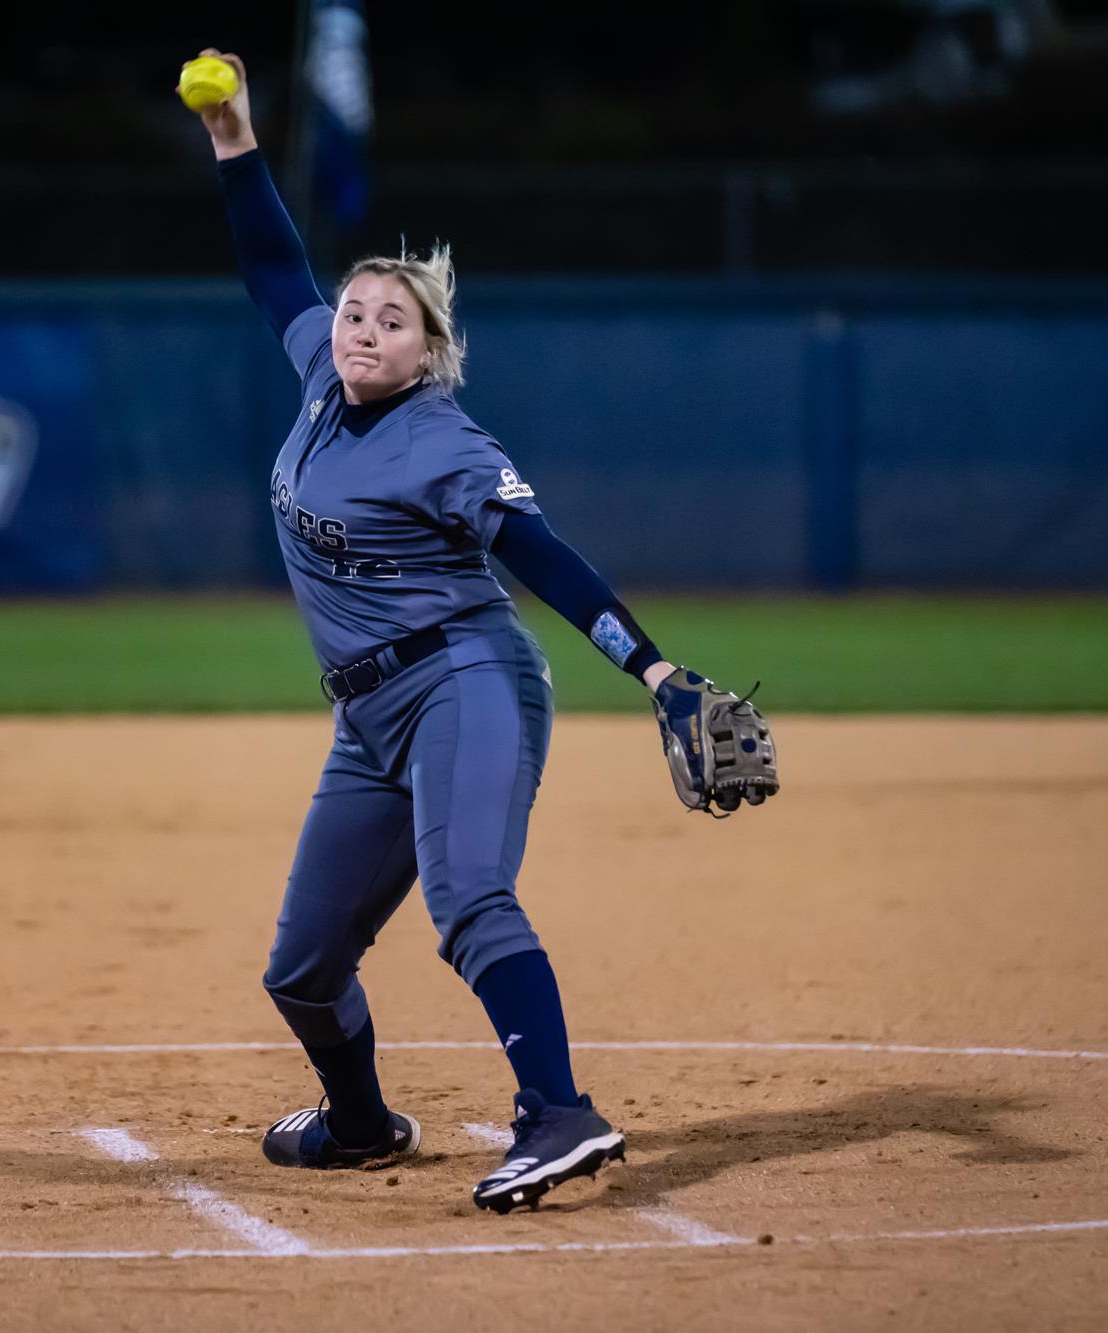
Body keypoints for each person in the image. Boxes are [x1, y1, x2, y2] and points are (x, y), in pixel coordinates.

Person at [185, 49, 776, 1213]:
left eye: (389, 320)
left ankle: (557, 1113)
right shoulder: (318, 381)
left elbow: (540, 555)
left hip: (467, 682)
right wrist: (234, 141)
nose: (360, 328)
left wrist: (652, 667)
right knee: (301, 969)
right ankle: (361, 1127)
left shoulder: (443, 443)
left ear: (428, 351)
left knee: (467, 898)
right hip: (367, 717)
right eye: (353, 311)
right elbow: (270, 266)